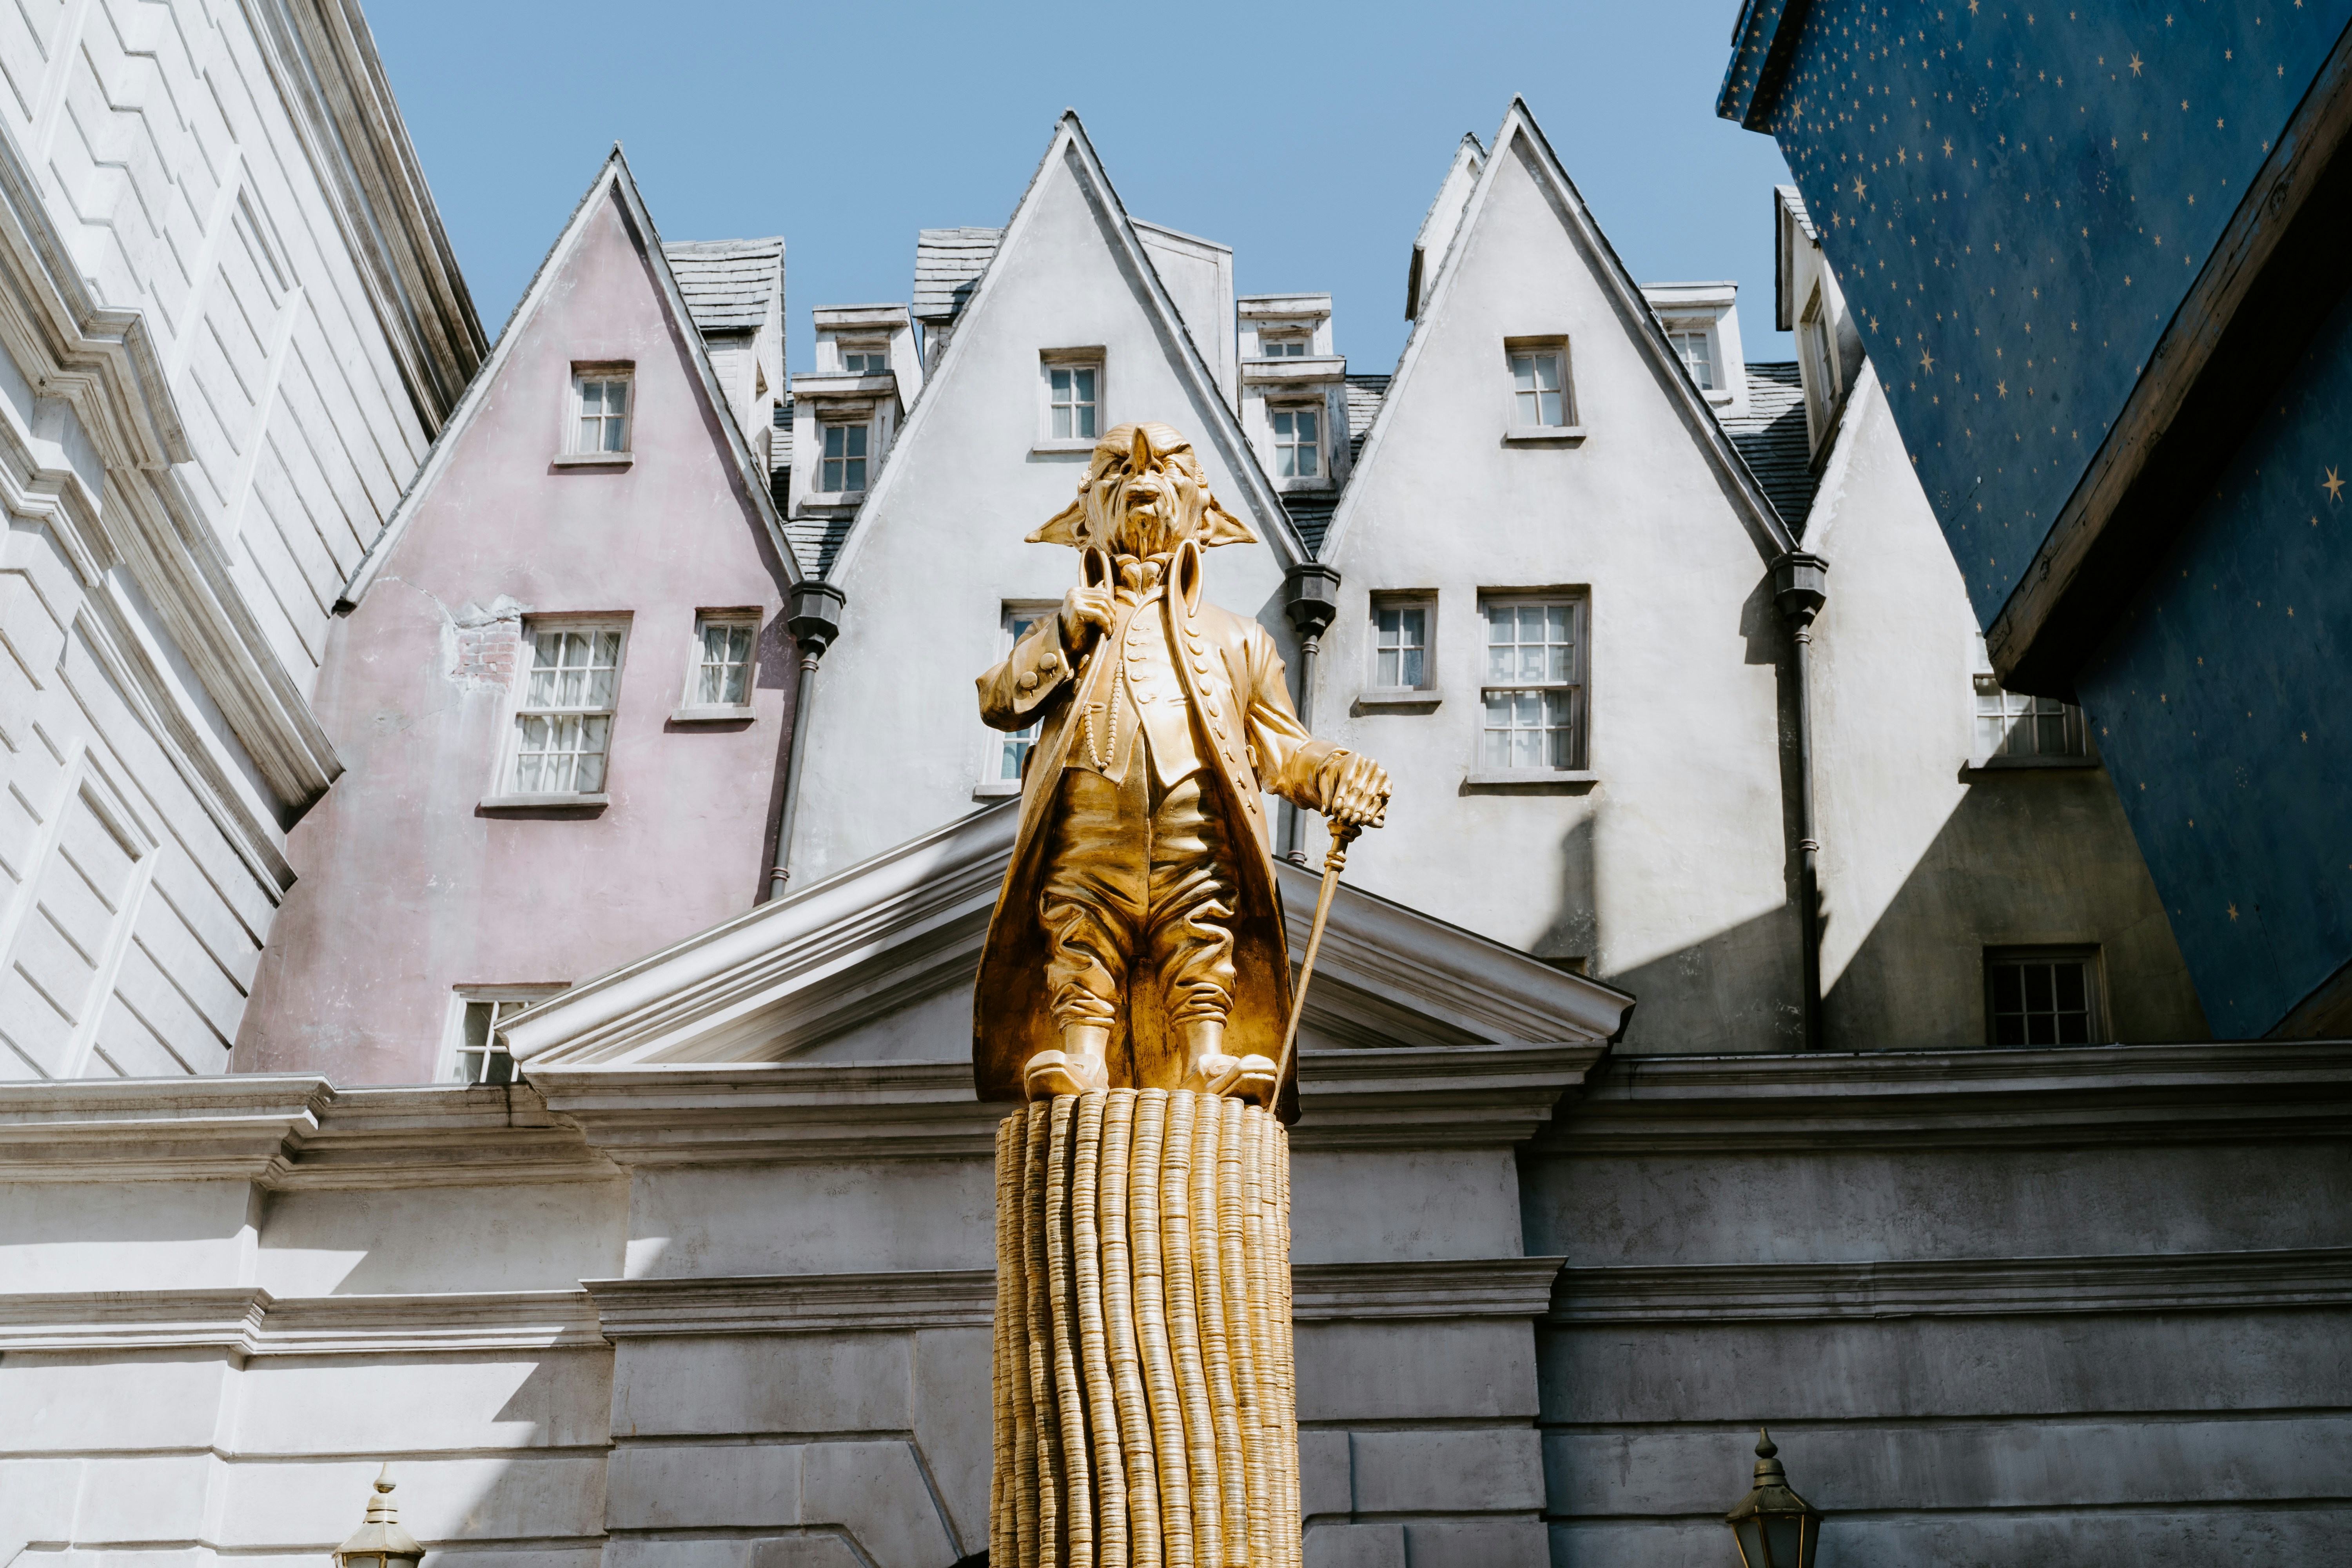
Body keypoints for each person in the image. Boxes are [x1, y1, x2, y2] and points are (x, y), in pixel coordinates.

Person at [972, 422, 1389, 1119]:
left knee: (1201, 934)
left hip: (1195, 845)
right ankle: (1082, 1052)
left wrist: (1338, 773)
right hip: (1087, 839)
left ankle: (1204, 1054)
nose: (1142, 473)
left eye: (1169, 469)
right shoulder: (1069, 630)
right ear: (1084, 518)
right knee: (1080, 931)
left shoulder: (1238, 639)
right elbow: (997, 701)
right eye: (1115, 470)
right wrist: (1063, 636)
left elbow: (1286, 749)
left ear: (1203, 511)